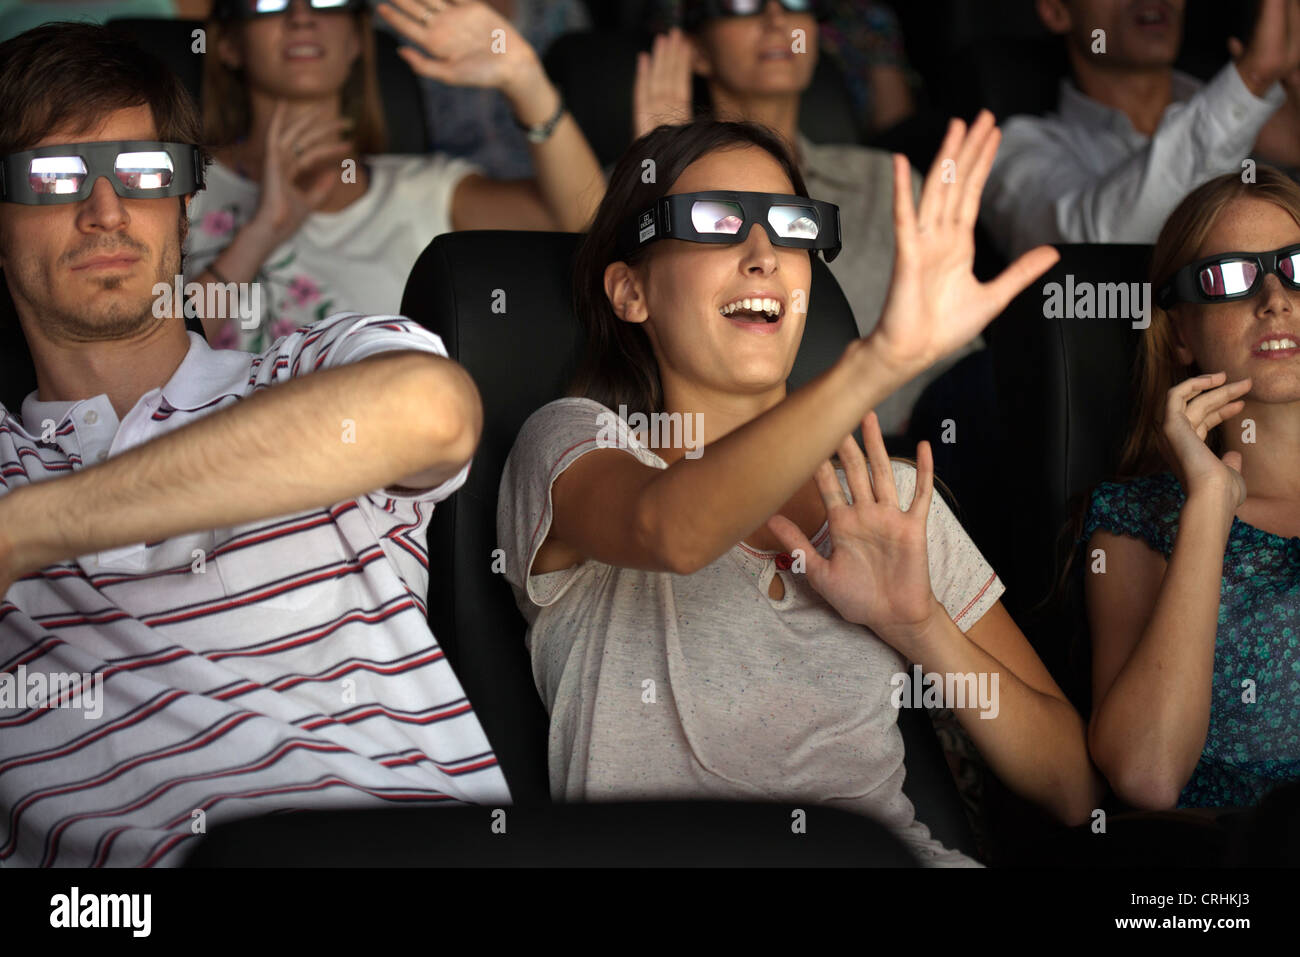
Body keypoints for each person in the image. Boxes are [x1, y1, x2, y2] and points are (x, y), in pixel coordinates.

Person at [497, 114, 1103, 866]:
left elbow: (1074, 788)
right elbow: (674, 532)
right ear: (630, 291)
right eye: (716, 222)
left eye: (790, 227)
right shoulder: (571, 442)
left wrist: (921, 624)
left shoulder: (888, 495)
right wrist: (877, 364)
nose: (763, 254)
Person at [0, 22, 508, 867]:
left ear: (188, 201)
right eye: (54, 178)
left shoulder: (304, 371)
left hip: (419, 850)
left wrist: (26, 532)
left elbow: (430, 409)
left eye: (146, 173)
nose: (104, 211)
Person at [186, 0, 605, 352]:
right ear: (228, 44)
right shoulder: (179, 184)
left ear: (355, 39)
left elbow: (587, 225)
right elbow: (141, 361)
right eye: (269, 0)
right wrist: (262, 233)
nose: (301, 15)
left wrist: (525, 78)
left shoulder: (424, 191)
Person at [631, 1, 958, 437]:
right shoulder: (643, 179)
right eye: (742, 4)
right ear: (696, 49)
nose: (777, 18)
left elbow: (958, 352)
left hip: (920, 441)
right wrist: (656, 162)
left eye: (797, 1)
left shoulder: (885, 176)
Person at [1082, 165, 1300, 814]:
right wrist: (1209, 505)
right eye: (1230, 276)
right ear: (1179, 332)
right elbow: (1146, 775)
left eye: (1297, 265)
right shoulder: (1134, 521)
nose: (1275, 298)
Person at [982, 0, 1300, 261]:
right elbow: (1090, 252)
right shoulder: (1014, 151)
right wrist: (1249, 84)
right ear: (1056, 10)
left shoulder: (1268, 117)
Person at [410, 0, 591, 178]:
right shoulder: (399, 15)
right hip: (444, 186)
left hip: (550, 180)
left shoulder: (556, 9)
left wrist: (526, 81)